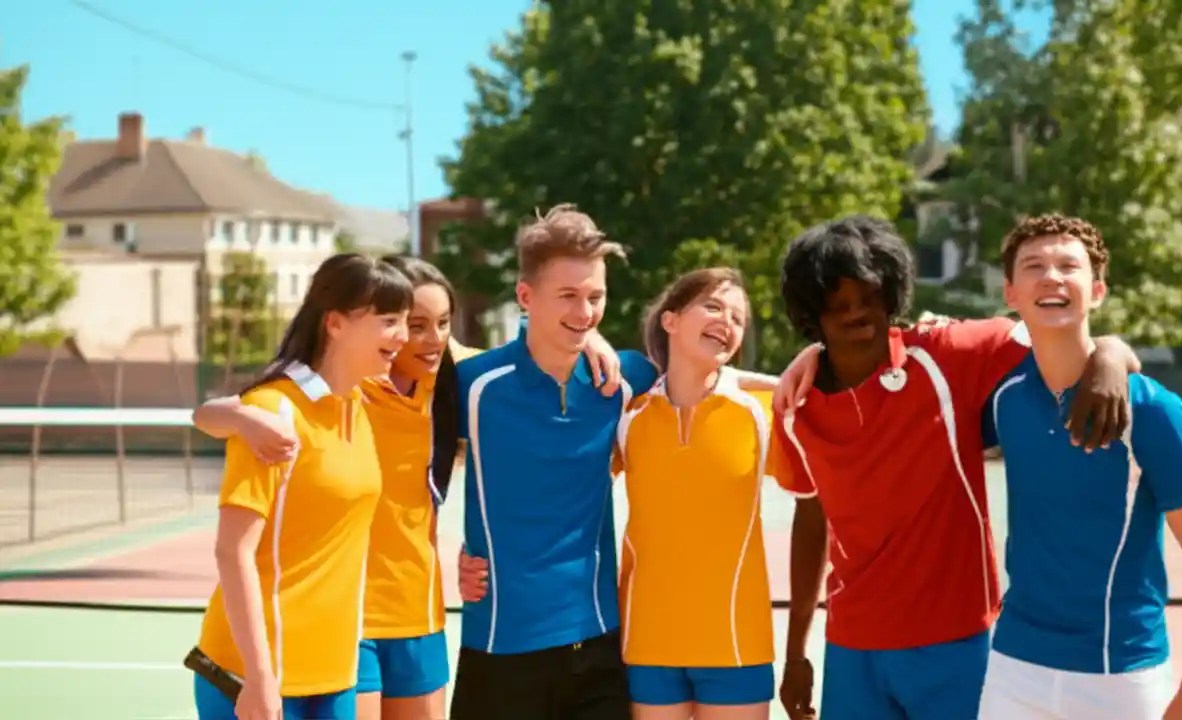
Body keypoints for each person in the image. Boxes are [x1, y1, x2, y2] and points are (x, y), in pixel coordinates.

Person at [191, 256, 626, 720]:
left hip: (416, 616)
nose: (426, 337)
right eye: (407, 323)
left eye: (440, 324)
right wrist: (233, 416)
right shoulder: (347, 391)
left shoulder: (450, 381)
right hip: (345, 628)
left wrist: (588, 333)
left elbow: (542, 345)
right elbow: (238, 409)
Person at [767, 215, 1140, 720]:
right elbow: (811, 521)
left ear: (891, 290)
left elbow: (1057, 333)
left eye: (869, 292)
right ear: (812, 310)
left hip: (959, 642)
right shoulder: (795, 406)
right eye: (836, 299)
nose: (855, 309)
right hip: (853, 647)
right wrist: (796, 655)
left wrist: (1113, 354)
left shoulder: (947, 355)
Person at [449, 205, 778, 720]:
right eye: (568, 296)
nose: (584, 312)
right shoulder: (472, 383)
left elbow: (701, 372)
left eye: (595, 297)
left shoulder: (623, 381)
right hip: (500, 644)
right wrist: (449, 558)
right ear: (524, 297)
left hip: (601, 646)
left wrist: (786, 377)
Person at [977, 213, 1182, 720]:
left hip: (1121, 674)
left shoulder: (1152, 411)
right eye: (1034, 265)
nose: (1052, 276)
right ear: (1011, 293)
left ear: (1097, 291)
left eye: (1070, 265)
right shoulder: (1002, 399)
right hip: (1013, 666)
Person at [189, 253, 412, 720]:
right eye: (389, 321)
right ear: (335, 323)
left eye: (405, 321)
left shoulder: (361, 403)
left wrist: (588, 337)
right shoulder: (273, 413)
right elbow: (233, 551)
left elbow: (462, 353)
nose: (404, 337)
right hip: (255, 678)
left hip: (334, 674)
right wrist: (260, 677)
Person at [615, 267, 777, 720]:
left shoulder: (762, 413)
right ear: (670, 320)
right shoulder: (630, 415)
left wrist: (780, 384)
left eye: (738, 318)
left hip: (735, 643)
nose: (727, 321)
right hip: (646, 642)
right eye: (713, 306)